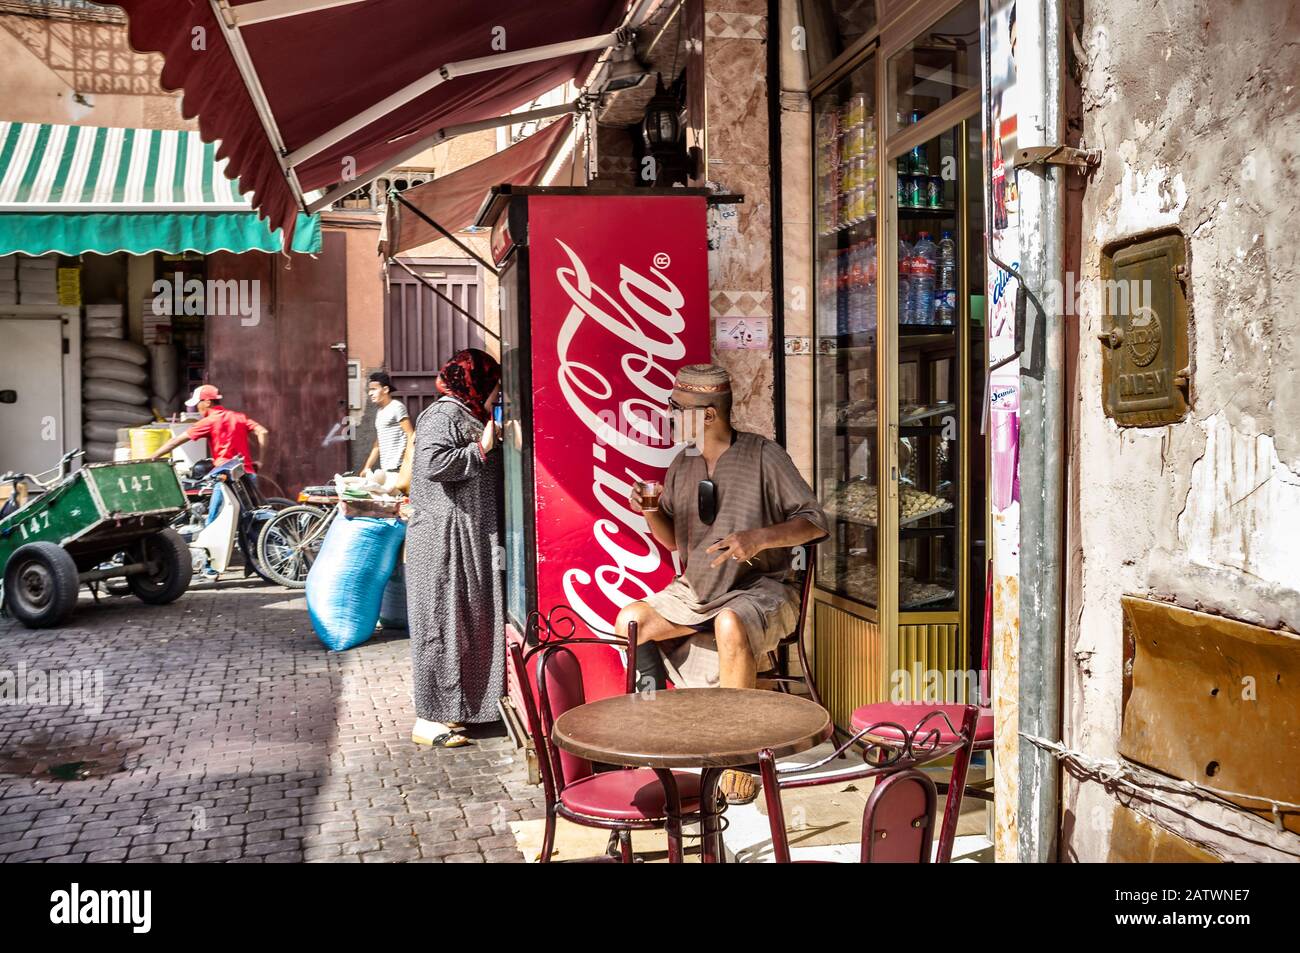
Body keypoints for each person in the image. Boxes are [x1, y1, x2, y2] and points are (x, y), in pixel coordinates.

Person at [617, 363, 827, 803]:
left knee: (731, 622)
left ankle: (736, 756)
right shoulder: (683, 462)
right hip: (696, 591)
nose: (670, 414)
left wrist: (760, 537)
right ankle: (655, 724)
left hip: (762, 588)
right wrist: (650, 509)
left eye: (677, 408)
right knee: (632, 621)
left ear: (708, 415)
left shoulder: (764, 455)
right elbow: (673, 539)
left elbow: (815, 521)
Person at [405, 348, 503, 748]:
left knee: (465, 621)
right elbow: (432, 463)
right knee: (440, 624)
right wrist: (481, 449)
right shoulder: (443, 415)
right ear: (475, 383)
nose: (497, 393)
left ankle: (464, 709)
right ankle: (429, 719)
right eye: (493, 385)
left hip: (470, 533)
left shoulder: (471, 414)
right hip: (443, 538)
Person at [149, 384, 270, 524]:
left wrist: (152, 457)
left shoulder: (208, 422)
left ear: (208, 402)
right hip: (248, 475)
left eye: (198, 404)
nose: (197, 408)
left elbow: (175, 441)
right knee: (251, 520)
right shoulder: (238, 417)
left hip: (227, 479)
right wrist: (260, 460)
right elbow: (263, 432)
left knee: (213, 520)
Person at [360, 370, 413, 477]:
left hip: (399, 467)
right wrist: (367, 467)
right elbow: (378, 443)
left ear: (385, 389)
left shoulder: (397, 407)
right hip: (387, 468)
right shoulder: (380, 412)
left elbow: (410, 434)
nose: (370, 393)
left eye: (374, 389)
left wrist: (405, 461)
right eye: (370, 390)